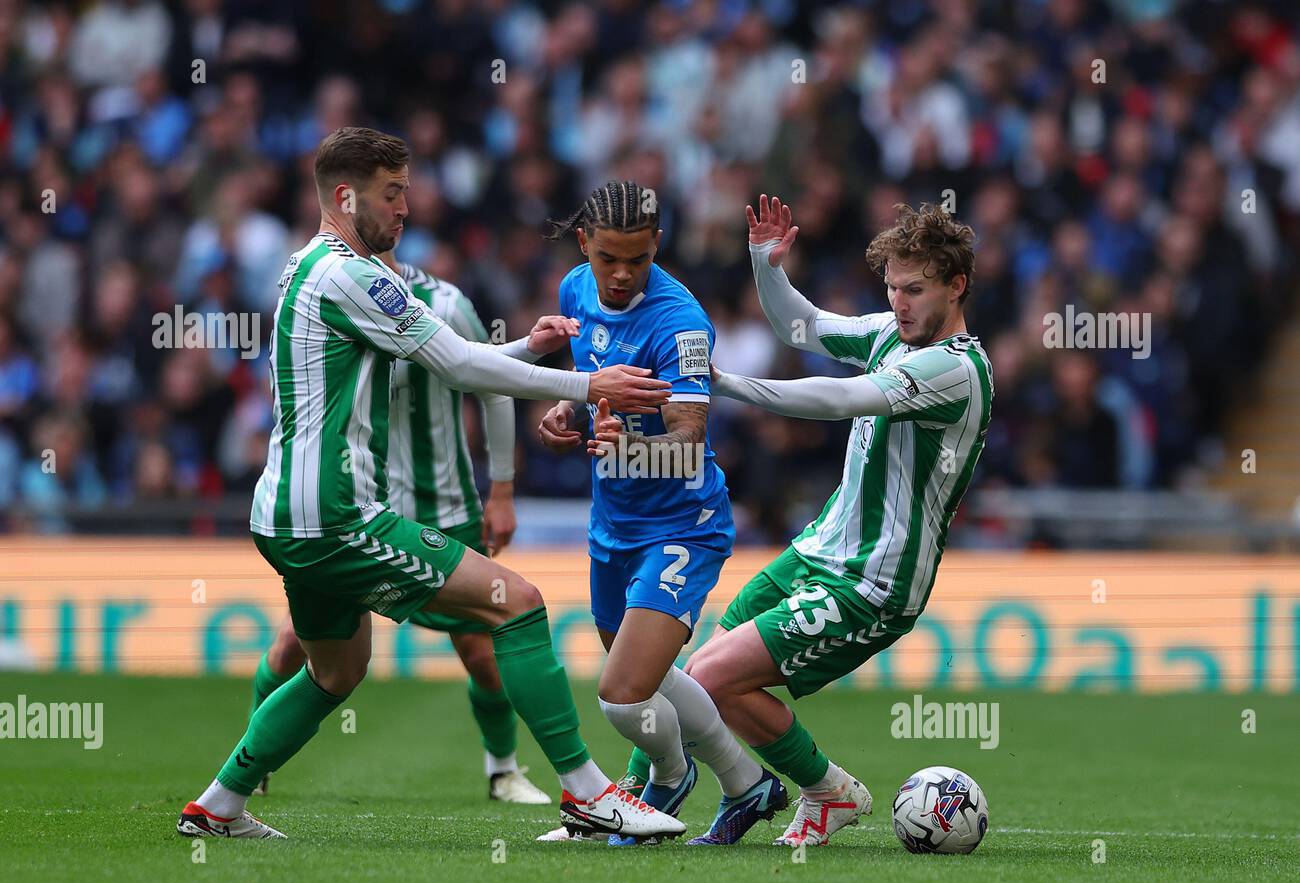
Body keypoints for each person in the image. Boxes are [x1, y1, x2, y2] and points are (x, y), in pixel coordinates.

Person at [176, 127, 684, 843]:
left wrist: (525, 349)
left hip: (283, 513)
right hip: (336, 514)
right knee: (518, 602)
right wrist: (587, 382)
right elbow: (460, 370)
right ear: (347, 197)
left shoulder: (309, 267)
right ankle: (588, 793)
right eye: (394, 193)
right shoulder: (354, 274)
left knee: (336, 670)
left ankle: (216, 807)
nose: (407, 207)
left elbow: (448, 360)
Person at [590, 196, 993, 846]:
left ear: (957, 285)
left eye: (914, 290)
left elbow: (841, 398)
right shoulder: (896, 333)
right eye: (892, 288)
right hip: (818, 551)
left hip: (873, 581)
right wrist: (766, 266)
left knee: (714, 679)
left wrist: (726, 384)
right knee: (690, 665)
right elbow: (802, 328)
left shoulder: (957, 370)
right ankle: (637, 797)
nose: (899, 303)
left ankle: (823, 790)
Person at [247, 243, 550, 806]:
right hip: (358, 506)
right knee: (299, 643)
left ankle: (503, 770)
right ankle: (254, 757)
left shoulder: (444, 303)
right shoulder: (331, 292)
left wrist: (502, 488)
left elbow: (491, 379)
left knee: (483, 647)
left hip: (446, 505)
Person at [535, 181, 780, 845]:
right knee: (651, 676)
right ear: (584, 242)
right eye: (607, 257)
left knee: (620, 691)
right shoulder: (573, 290)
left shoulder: (682, 322)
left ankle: (667, 779)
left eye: (636, 260)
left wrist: (633, 443)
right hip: (612, 522)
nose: (619, 275)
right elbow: (596, 383)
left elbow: (689, 433)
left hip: (682, 525)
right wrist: (571, 409)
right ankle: (747, 785)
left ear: (657, 247)